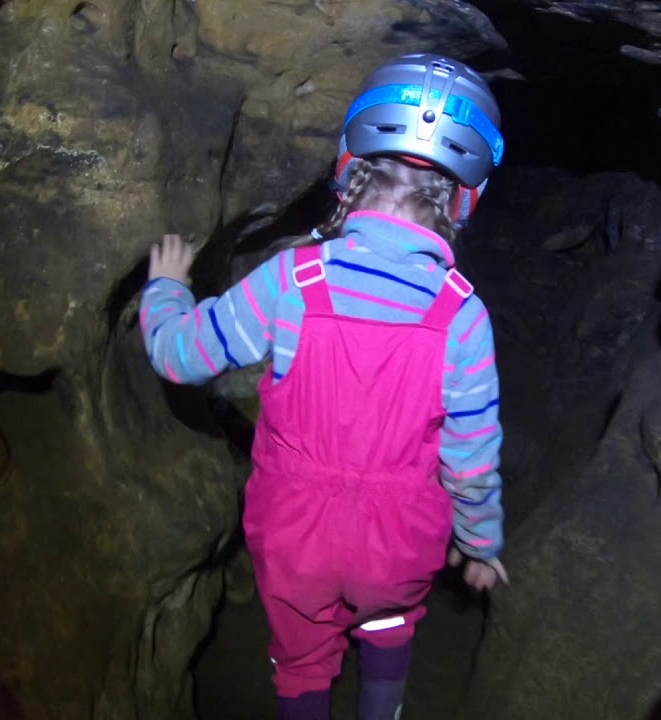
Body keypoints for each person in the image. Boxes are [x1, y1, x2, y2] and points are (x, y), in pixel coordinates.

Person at [139, 54, 508, 720]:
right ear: (463, 198)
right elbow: (472, 457)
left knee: (303, 659)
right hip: (399, 540)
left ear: (350, 167)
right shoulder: (461, 315)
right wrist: (480, 543)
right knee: (389, 621)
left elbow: (180, 357)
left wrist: (166, 289)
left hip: (293, 532)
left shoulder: (293, 280)